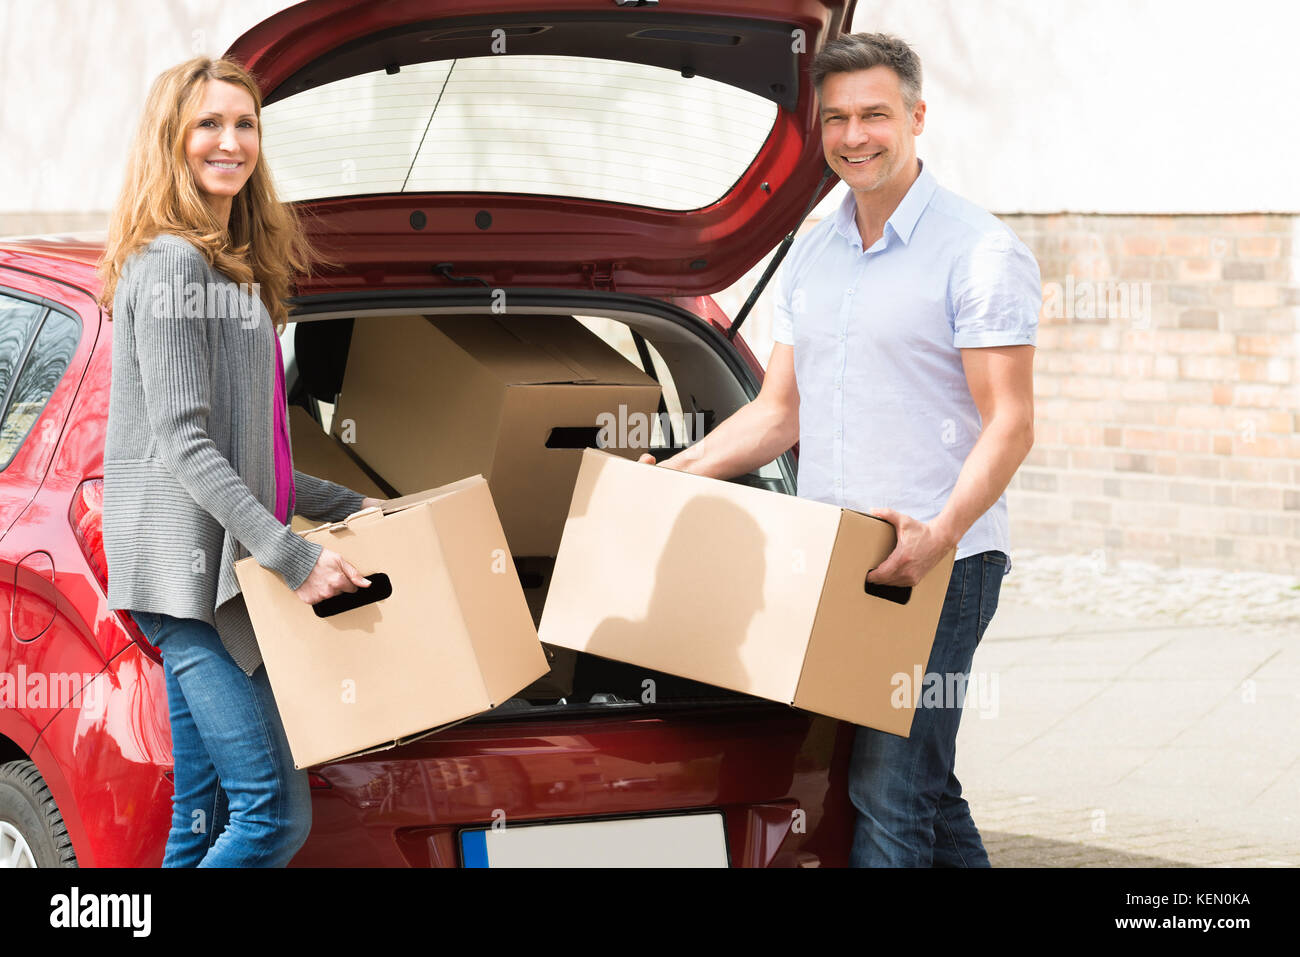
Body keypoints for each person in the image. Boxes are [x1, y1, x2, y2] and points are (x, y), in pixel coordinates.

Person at [640, 33, 1040, 867]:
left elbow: (1010, 422)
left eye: (874, 115)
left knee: (888, 791)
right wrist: (667, 480)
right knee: (921, 783)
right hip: (833, 558)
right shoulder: (815, 255)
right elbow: (778, 415)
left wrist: (940, 534)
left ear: (918, 117)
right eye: (836, 119)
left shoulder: (979, 252)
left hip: (939, 566)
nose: (855, 135)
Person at [97, 56, 383, 867]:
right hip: (191, 589)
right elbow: (184, 441)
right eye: (209, 124)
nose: (231, 141)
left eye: (245, 123)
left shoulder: (227, 268)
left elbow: (252, 455)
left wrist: (349, 508)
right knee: (270, 818)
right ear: (171, 141)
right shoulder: (171, 265)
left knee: (198, 821)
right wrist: (293, 555)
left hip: (208, 577)